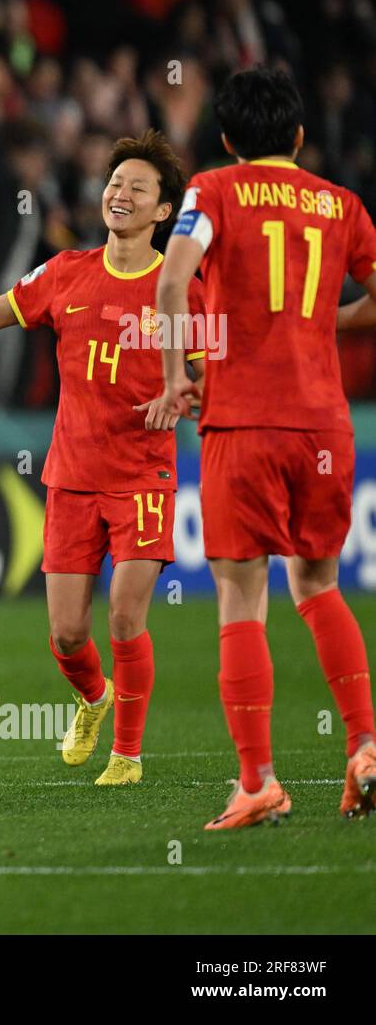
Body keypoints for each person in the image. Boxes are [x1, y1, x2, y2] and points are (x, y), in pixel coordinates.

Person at [0, 129, 205, 785]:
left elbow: (209, 381)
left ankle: (127, 755)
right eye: (115, 183)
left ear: (163, 212)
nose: (119, 193)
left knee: (126, 614)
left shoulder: (183, 288)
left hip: (143, 474)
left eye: (137, 187)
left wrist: (184, 395)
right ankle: (94, 699)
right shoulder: (66, 271)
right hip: (71, 476)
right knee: (69, 635)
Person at [154, 66, 376, 828]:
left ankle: (258, 782)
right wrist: (321, 322)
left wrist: (177, 376)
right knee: (318, 587)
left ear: (225, 139)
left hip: (243, 423)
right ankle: (365, 744)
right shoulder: (341, 203)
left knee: (241, 597)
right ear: (301, 136)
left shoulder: (214, 191)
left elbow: (170, 284)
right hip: (324, 426)